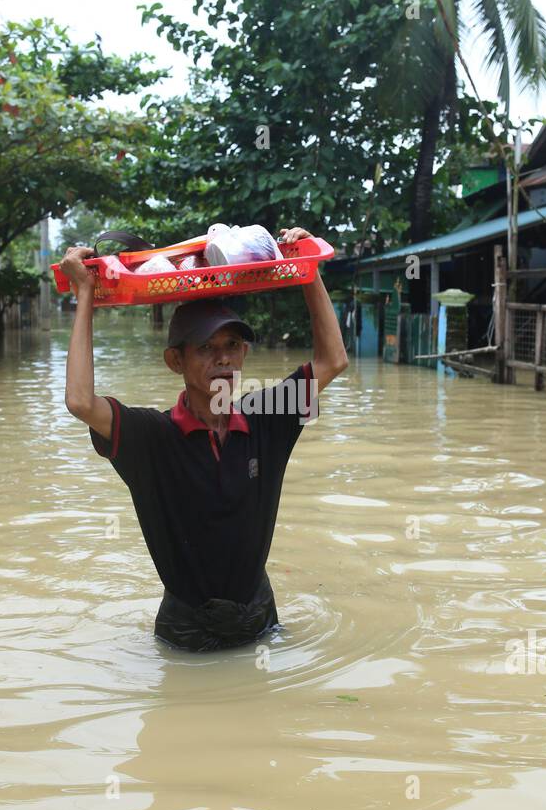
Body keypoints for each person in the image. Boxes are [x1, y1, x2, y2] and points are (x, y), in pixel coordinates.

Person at [62, 227, 349, 651]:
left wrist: (308, 272)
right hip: (185, 631)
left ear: (244, 355)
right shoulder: (152, 437)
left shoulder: (267, 417)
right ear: (175, 360)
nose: (222, 359)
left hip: (259, 620)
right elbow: (81, 401)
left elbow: (333, 360)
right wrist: (84, 293)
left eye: (232, 345)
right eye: (205, 348)